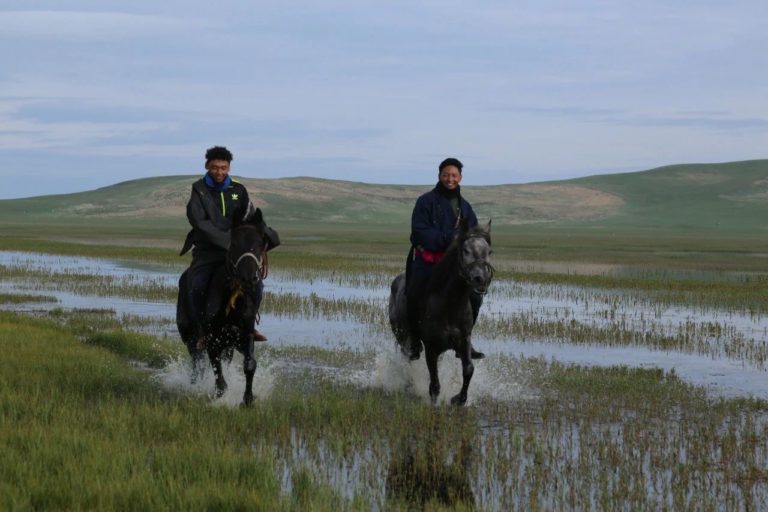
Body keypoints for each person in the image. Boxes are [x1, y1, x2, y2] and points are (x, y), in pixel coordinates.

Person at [180, 145, 268, 347]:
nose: (219, 172)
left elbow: (250, 217)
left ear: (229, 168)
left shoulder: (238, 190)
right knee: (194, 283)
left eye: (223, 167)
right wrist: (226, 241)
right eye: (214, 167)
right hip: (208, 251)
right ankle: (201, 330)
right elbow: (199, 222)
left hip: (237, 253)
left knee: (256, 283)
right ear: (207, 166)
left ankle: (249, 326)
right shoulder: (199, 191)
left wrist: (258, 235)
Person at [405, 157, 485, 361]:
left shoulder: (465, 207)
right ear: (439, 176)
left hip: (455, 267)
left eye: (454, 175)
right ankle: (414, 340)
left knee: (475, 296)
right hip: (429, 262)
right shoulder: (425, 201)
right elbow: (419, 232)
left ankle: (465, 340)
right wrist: (449, 239)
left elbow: (473, 234)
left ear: (460, 178)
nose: (450, 179)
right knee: (413, 294)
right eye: (446, 175)